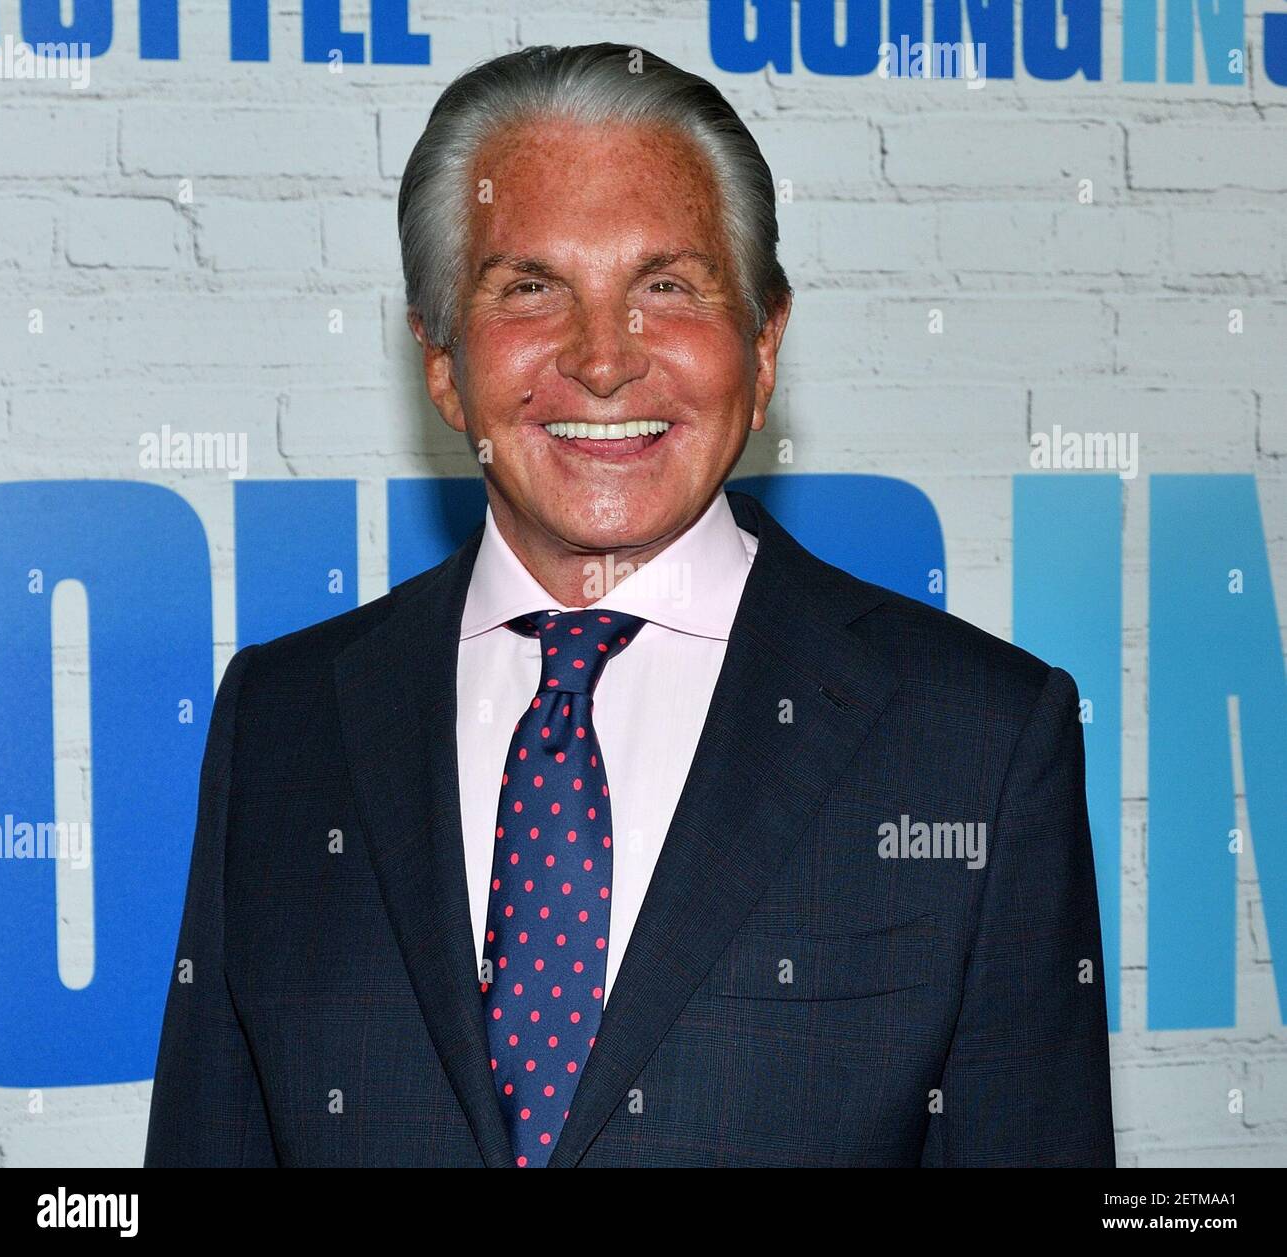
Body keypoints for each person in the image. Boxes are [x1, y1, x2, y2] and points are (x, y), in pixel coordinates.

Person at [144, 42, 1114, 1168]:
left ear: (760, 345)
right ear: (443, 361)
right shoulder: (283, 721)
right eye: (530, 289)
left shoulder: (980, 740)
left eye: (666, 286)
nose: (604, 360)